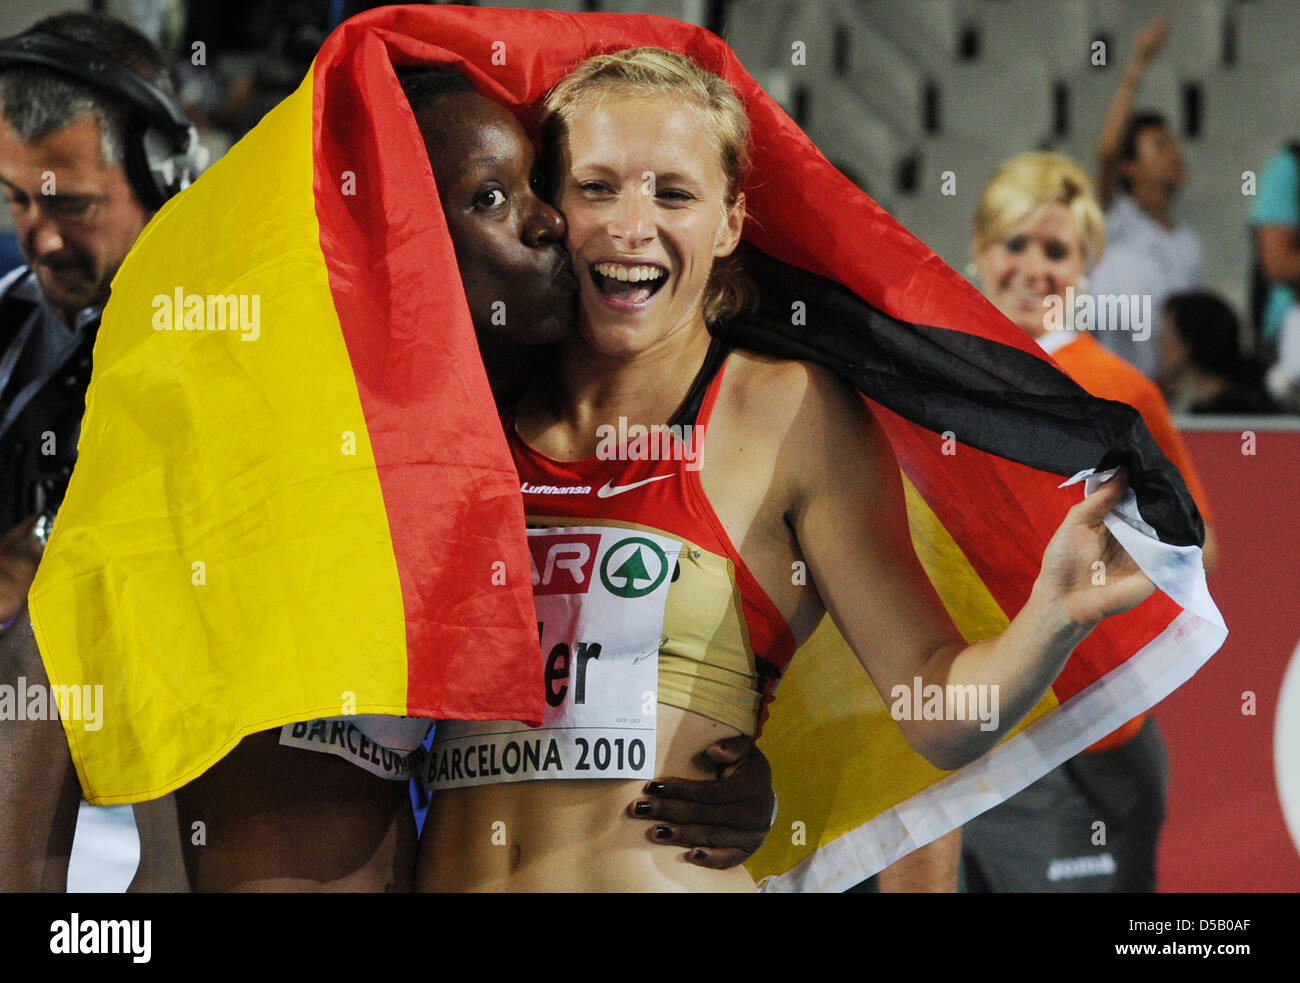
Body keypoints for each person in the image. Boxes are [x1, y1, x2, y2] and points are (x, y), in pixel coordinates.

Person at [415, 48, 1158, 894]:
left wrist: (1052, 614)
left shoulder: (787, 412)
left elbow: (937, 709)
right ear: (550, 204)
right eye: (597, 186)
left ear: (730, 223)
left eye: (673, 192)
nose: (631, 224)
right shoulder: (464, 411)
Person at [156, 67, 773, 893]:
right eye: (491, 198)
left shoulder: (489, 448)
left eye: (535, 187)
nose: (550, 222)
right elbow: (45, 668)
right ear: (396, 237)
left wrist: (738, 771)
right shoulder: (267, 445)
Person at [962, 151, 1212, 892]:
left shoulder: (1119, 388)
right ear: (977, 249)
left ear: (1087, 265)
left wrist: (1089, 625)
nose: (1034, 268)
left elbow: (1199, 548)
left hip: (1080, 742)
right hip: (951, 728)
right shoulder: (932, 375)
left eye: (1057, 250)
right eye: (1014, 243)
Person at [0, 10, 202, 892]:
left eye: (70, 203)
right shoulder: (9, 323)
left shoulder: (233, 344)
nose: (40, 235)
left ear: (161, 173)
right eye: (16, 199)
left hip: (177, 804)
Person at [1090, 13, 1203, 380]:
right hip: (1105, 392)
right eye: (1160, 145)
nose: (1175, 153)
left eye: (1173, 143)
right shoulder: (1114, 220)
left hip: (1160, 399)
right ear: (1130, 167)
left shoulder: (1189, 245)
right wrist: (1137, 64)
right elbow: (1106, 150)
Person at [1160, 291, 1277, 415]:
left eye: (1168, 332)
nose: (1160, 341)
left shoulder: (1237, 411)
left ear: (1189, 343)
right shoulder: (1194, 403)